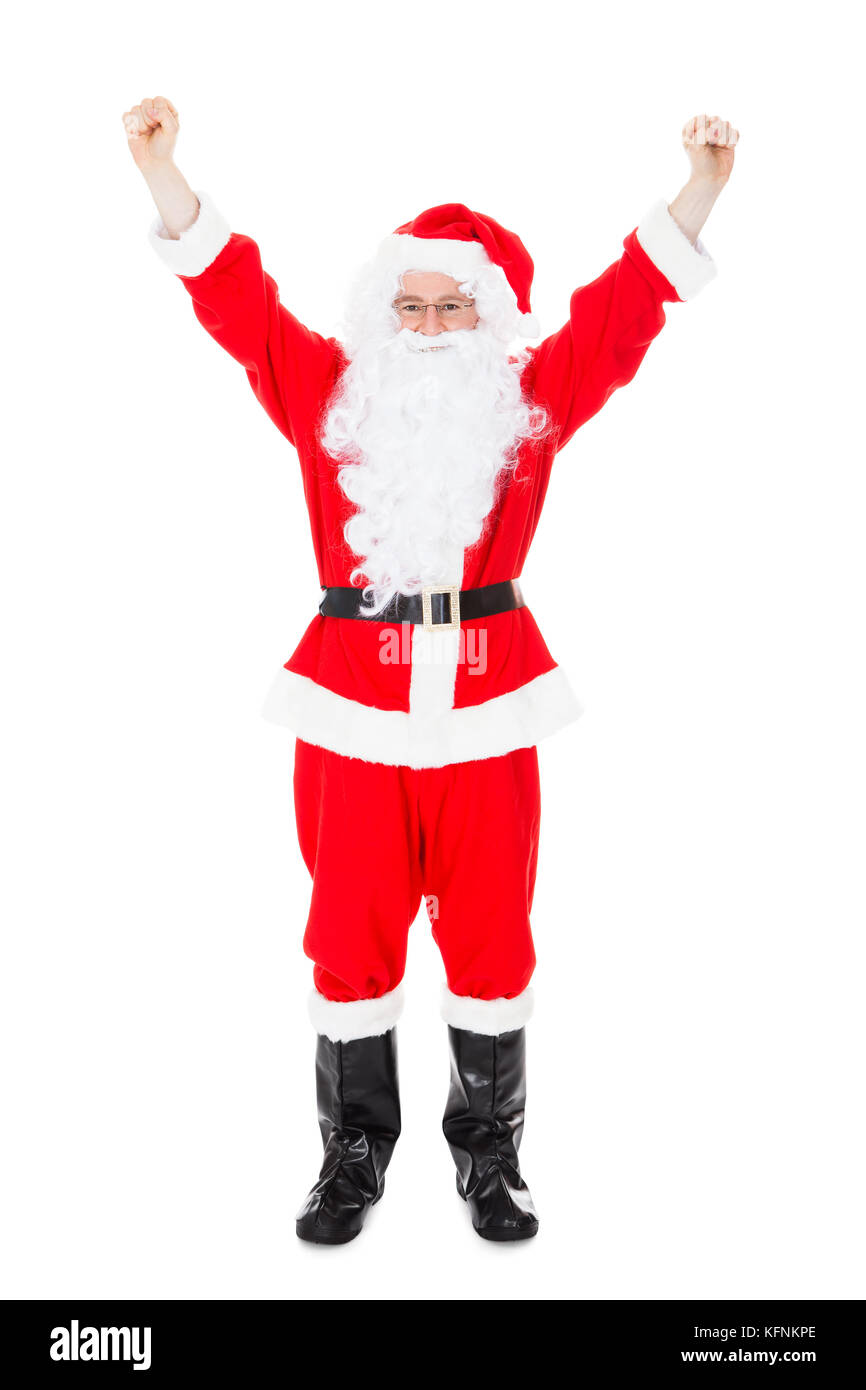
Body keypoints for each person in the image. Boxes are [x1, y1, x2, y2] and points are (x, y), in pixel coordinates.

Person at [124, 96, 739, 1244]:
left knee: (493, 934)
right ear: (379, 314)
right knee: (347, 931)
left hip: (486, 701)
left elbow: (618, 316)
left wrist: (697, 187)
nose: (421, 323)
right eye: (404, 304)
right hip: (349, 705)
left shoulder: (526, 408)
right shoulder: (328, 401)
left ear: (484, 320)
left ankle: (489, 1154)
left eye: (446, 306)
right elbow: (239, 306)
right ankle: (351, 1154)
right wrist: (167, 174)